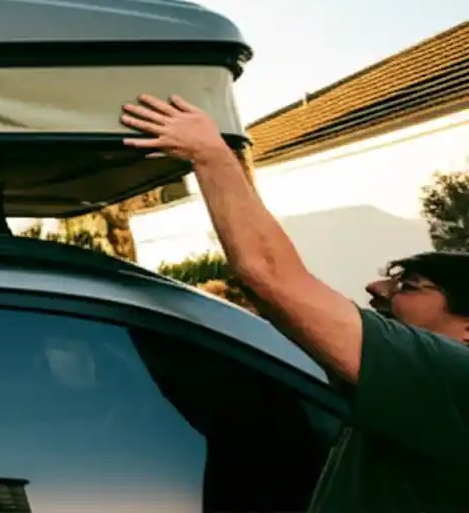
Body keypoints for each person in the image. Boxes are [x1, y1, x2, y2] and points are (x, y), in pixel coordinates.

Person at [121, 93, 469, 512]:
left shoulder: (451, 377)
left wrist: (210, 155)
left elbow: (272, 277)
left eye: (410, 285)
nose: (377, 287)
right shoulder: (406, 393)